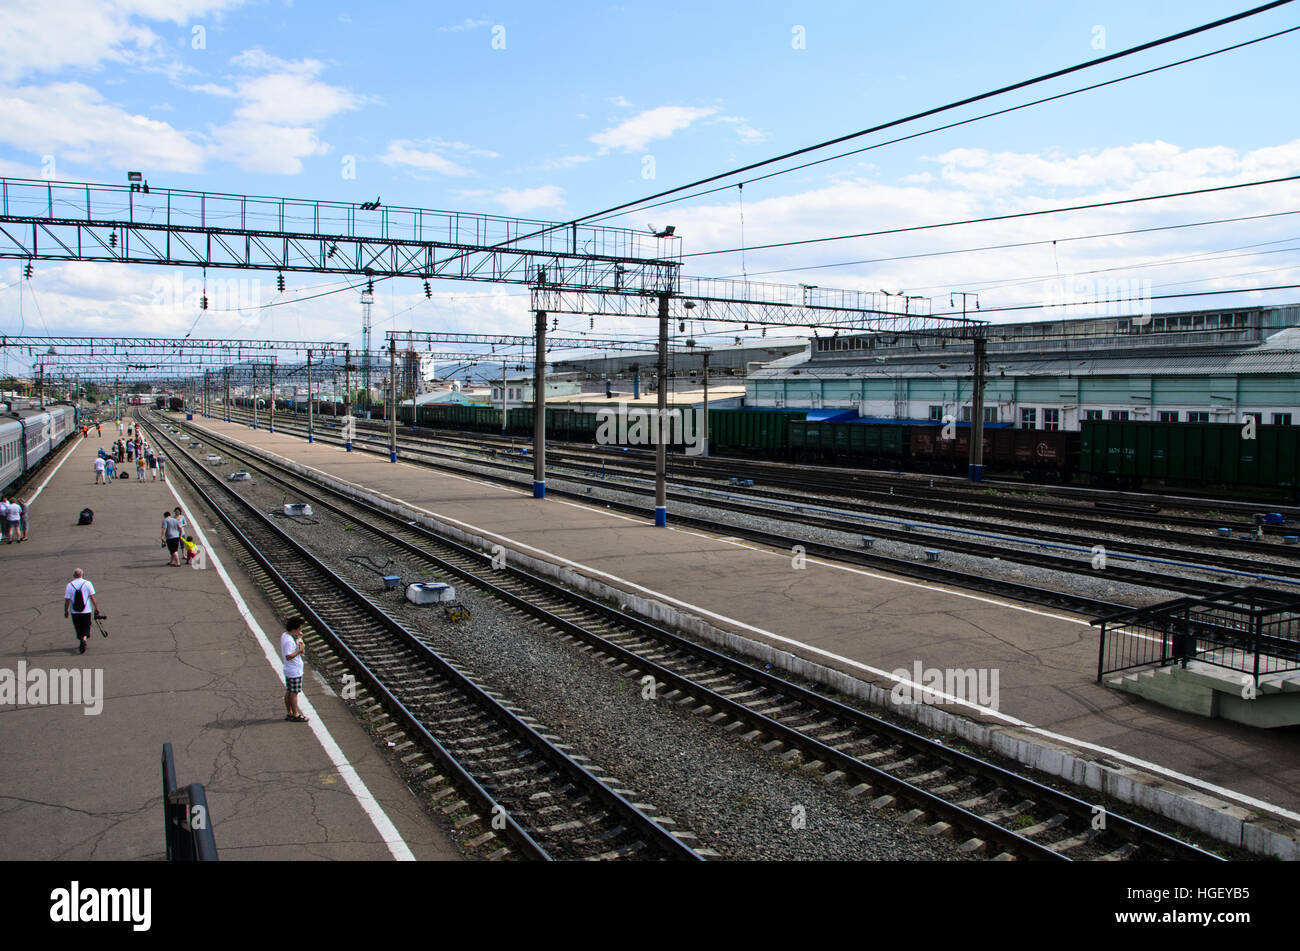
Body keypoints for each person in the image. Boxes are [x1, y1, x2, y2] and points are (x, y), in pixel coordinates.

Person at [64, 569, 103, 654]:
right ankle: (84, 639)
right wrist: (96, 608)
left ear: (74, 575)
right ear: (82, 575)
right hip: (86, 610)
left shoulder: (69, 585)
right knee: (86, 625)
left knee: (78, 627)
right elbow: (92, 597)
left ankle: (81, 639)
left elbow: (67, 600)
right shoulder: (87, 583)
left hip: (74, 611)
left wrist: (66, 610)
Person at [280, 616, 308, 722]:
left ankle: (290, 713)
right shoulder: (288, 641)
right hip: (294, 670)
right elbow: (288, 656)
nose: (300, 630)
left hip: (290, 669)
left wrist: (299, 639)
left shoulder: (285, 635)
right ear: (294, 628)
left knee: (289, 691)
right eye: (299, 628)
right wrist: (299, 651)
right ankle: (295, 714)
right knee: (294, 693)